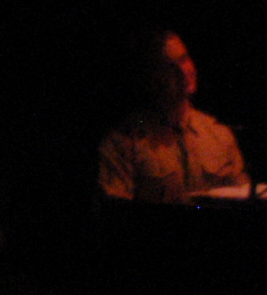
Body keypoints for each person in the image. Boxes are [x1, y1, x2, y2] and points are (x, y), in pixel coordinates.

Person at [98, 29, 250, 202]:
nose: (182, 71)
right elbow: (113, 210)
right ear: (151, 77)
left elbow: (243, 201)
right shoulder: (125, 142)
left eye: (184, 59)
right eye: (169, 66)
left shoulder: (219, 135)